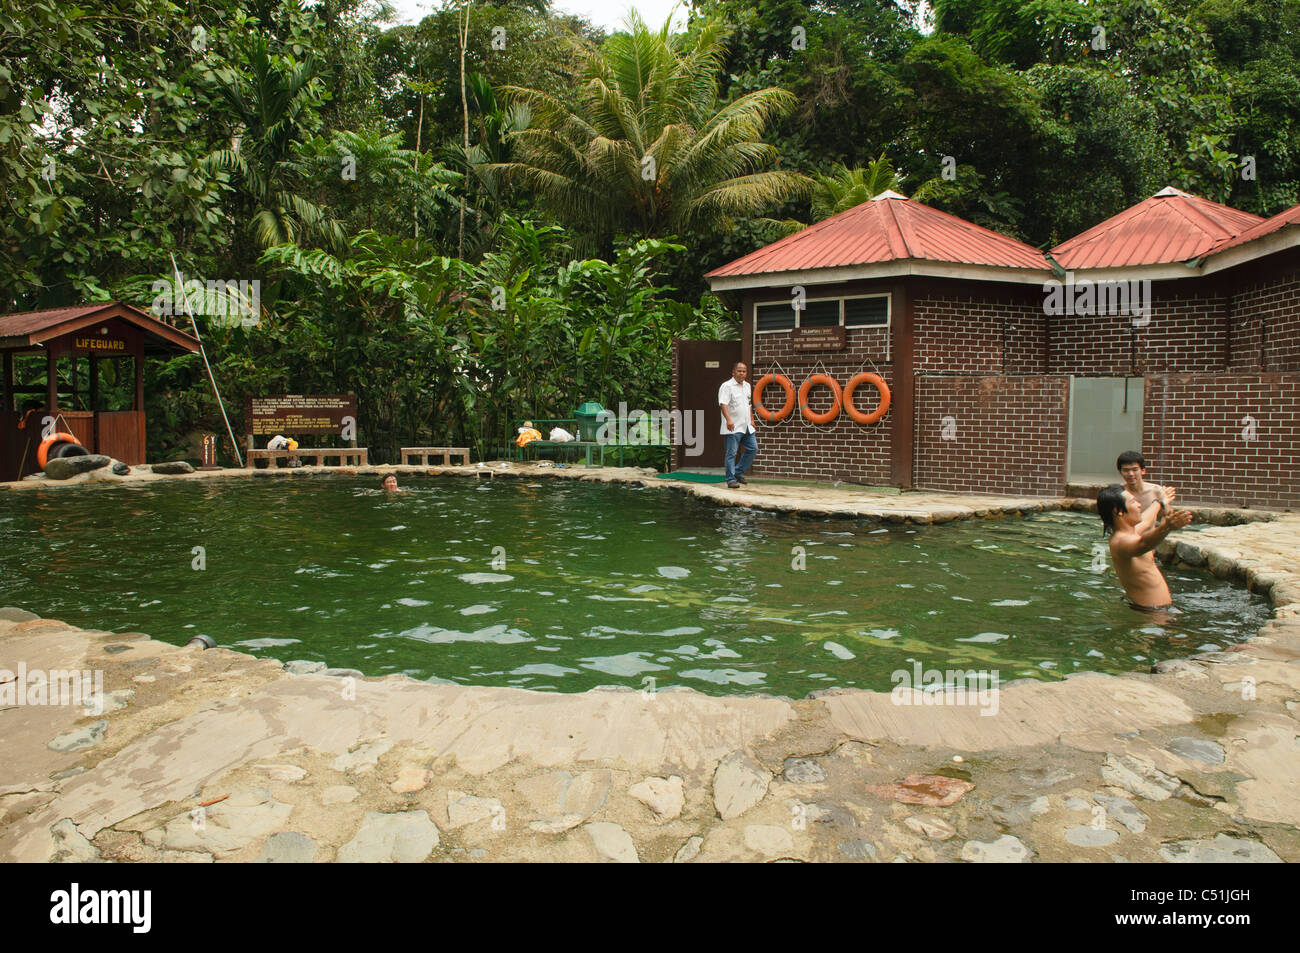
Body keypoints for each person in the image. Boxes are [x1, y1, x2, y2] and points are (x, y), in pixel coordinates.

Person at [1096, 483, 1193, 611]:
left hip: (1154, 610)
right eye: (1133, 502)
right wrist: (1167, 527)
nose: (1139, 505)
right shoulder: (1120, 542)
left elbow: (1147, 520)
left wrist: (1161, 501)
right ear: (1118, 511)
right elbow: (1144, 544)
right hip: (1151, 614)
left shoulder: (1128, 532)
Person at [718, 361, 757, 489]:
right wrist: (728, 420)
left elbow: (749, 404)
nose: (742, 373)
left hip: (746, 425)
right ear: (733, 372)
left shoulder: (747, 386)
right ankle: (730, 479)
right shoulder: (726, 386)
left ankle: (739, 472)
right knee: (732, 453)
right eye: (739, 371)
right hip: (733, 426)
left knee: (753, 448)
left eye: (744, 371)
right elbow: (723, 404)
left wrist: (752, 419)